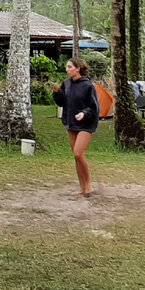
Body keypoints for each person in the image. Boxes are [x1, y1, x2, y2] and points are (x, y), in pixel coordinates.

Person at [53, 57, 99, 197]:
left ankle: (89, 186)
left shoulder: (88, 85)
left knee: (79, 153)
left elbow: (94, 107)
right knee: (77, 157)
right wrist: (57, 93)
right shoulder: (66, 84)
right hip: (71, 123)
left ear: (78, 68)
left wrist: (84, 114)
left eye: (69, 67)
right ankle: (82, 188)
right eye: (66, 67)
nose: (67, 70)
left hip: (86, 123)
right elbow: (62, 103)